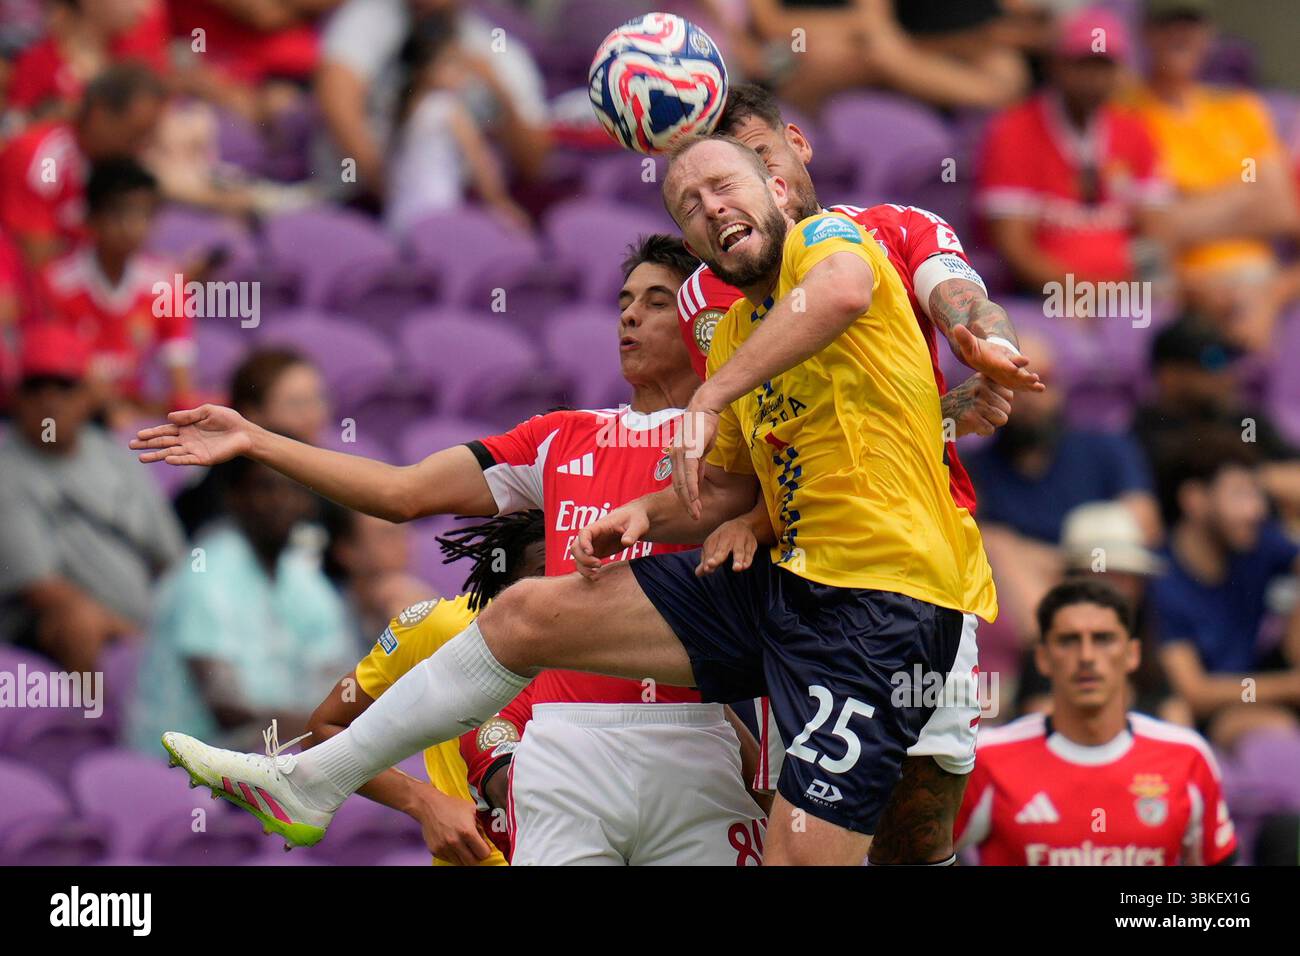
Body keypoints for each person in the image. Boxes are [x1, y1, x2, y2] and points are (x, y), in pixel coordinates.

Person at [151, 137, 999, 866]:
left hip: (876, 607)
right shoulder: (708, 355)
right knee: (525, 615)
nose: (710, 209)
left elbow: (843, 294)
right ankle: (313, 780)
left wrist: (709, 404)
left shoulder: (830, 243)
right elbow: (729, 487)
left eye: (725, 187)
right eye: (689, 206)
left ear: (778, 187)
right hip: (753, 614)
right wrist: (647, 517)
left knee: (868, 846)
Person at [141, 234, 767, 865]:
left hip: (694, 740)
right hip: (568, 752)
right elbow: (400, 491)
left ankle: (310, 782)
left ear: (704, 317)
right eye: (625, 300)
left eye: (657, 302)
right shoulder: (561, 437)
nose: (629, 315)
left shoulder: (742, 442)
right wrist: (257, 440)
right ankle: (310, 782)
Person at [676, 81, 1040, 787]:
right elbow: (772, 436)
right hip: (805, 575)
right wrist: (753, 517)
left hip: (927, 551)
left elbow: (961, 299)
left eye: (757, 157)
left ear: (796, 147)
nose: (747, 188)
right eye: (717, 182)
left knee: (919, 815)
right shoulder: (715, 292)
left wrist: (985, 345)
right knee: (810, 811)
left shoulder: (894, 226)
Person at [306, 511, 545, 867]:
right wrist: (423, 802)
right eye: (546, 576)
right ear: (509, 584)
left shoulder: (628, 647)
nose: (566, 590)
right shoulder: (440, 627)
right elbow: (326, 728)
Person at [955, 579, 1237, 865]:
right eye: (1068, 640)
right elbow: (920, 855)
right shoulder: (987, 758)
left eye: (1103, 639)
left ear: (1132, 654)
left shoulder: (1188, 757)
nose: (1087, 657)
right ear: (1043, 658)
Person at [128, 454, 356, 752]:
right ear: (234, 497)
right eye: (266, 487)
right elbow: (228, 711)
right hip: (185, 761)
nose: (281, 500)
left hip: (271, 751)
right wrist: (324, 727)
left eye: (293, 489)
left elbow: (337, 682)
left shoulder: (303, 578)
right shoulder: (206, 574)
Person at [0, 323, 184, 672]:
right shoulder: (6, 472)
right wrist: (136, 635)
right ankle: (93, 721)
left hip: (144, 621)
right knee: (77, 620)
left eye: (64, 387)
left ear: (87, 397)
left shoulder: (116, 455)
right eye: (36, 387)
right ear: (16, 398)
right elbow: (40, 587)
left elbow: (170, 556)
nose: (49, 400)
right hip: (46, 631)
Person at [1127, 0, 1300, 351]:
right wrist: (1247, 201)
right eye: (1167, 25)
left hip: (1262, 278)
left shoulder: (1241, 110)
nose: (1180, 35)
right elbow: (1142, 229)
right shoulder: (1125, 114)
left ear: (1209, 37)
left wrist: (1271, 296)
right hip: (1178, 283)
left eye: (1191, 24)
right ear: (1145, 36)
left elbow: (1283, 212)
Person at [967, 331, 1160, 642]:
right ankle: (1050, 648)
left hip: (1105, 582)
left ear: (1062, 389)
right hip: (1015, 607)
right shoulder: (977, 465)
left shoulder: (1105, 446)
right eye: (1012, 384)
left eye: (1041, 382)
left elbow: (1144, 526)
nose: (1029, 398)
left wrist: (1064, 563)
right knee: (997, 547)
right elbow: (980, 548)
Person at [976, 7, 1170, 292]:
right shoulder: (1012, 131)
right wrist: (1082, 294)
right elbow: (1015, 248)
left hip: (1124, 294)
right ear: (1057, 65)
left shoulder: (1134, 131)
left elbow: (1156, 231)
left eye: (1104, 66)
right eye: (1083, 64)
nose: (1094, 78)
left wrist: (1149, 291)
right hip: (1045, 295)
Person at [1150, 429, 1300, 750]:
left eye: (1257, 495)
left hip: (1262, 689)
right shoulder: (1161, 578)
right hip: (1198, 721)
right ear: (1195, 500)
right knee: (1274, 730)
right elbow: (1194, 691)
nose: (1257, 510)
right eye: (1241, 495)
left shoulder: (1258, 545)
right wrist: (1290, 687)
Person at [315, 0, 549, 202]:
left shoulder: (494, 48)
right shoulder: (367, 18)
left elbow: (536, 162)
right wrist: (390, 191)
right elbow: (337, 101)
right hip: (362, 196)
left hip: (457, 203)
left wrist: (497, 90)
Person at [36, 156, 195, 425]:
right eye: (121, 213)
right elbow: (54, 380)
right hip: (75, 420)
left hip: (134, 415)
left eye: (145, 214)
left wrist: (180, 413)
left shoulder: (167, 284)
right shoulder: (56, 284)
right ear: (92, 218)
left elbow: (179, 379)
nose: (134, 227)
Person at [0, 63, 167, 269]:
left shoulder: (117, 165)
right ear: (100, 113)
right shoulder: (44, 160)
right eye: (135, 135)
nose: (141, 147)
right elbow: (37, 263)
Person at [173, 347, 330, 537]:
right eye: (296, 404)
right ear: (250, 414)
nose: (314, 416)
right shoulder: (218, 493)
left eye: (318, 399)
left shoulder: (327, 483)